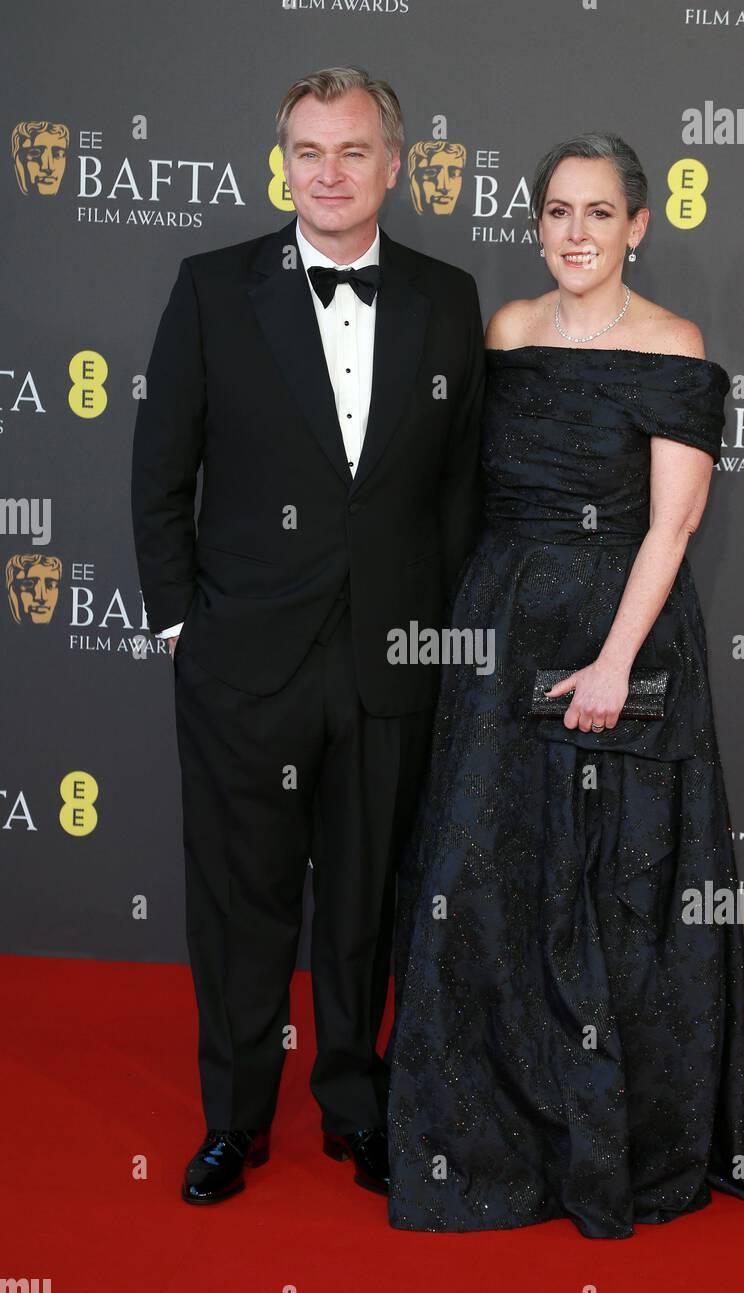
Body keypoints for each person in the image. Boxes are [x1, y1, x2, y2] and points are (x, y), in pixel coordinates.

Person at [385, 133, 744, 1239]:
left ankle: (628, 1132)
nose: (576, 232)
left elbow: (674, 524)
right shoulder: (507, 332)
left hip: (628, 628)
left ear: (638, 227)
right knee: (486, 869)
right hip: (504, 619)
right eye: (558, 211)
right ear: (537, 223)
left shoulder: (673, 345)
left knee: (616, 880)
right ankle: (489, 1130)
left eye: (600, 213)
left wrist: (614, 660)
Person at [130, 66, 485, 1205]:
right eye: (307, 151)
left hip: (389, 661)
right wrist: (182, 624)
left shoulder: (445, 294)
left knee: (366, 899)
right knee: (242, 902)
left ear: (395, 163)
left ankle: (353, 1104)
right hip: (244, 662)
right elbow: (159, 473)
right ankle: (233, 1120)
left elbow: (458, 493)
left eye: (352, 151)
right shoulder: (212, 288)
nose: (328, 173)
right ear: (280, 160)